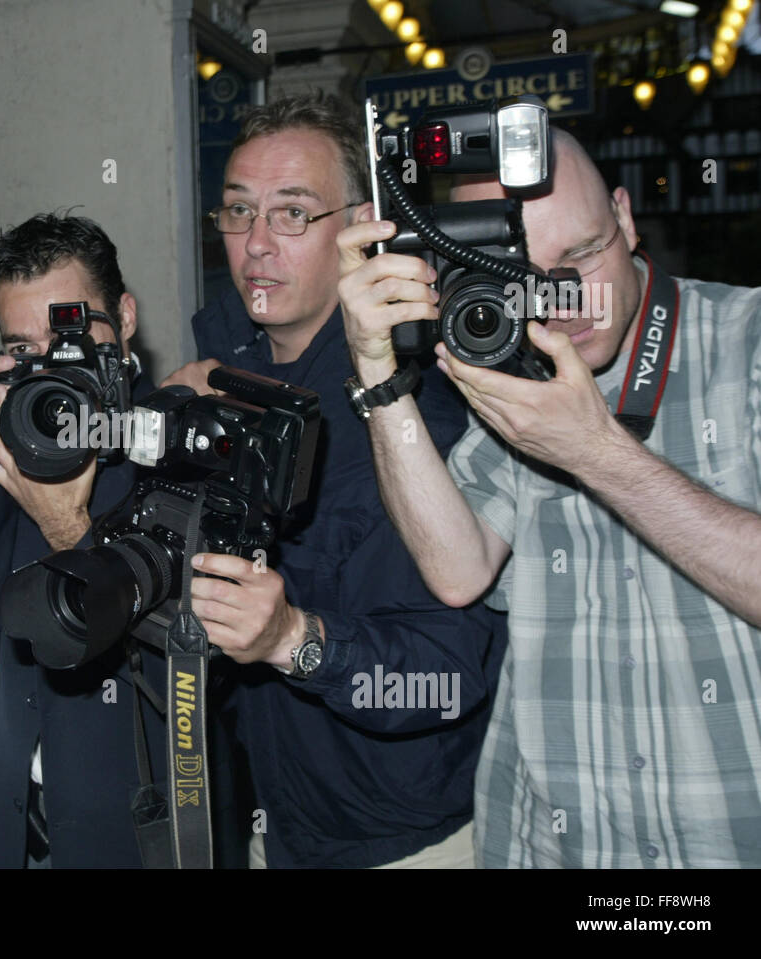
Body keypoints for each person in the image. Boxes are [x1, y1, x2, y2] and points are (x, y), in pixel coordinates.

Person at [337, 126, 761, 868]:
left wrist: (596, 452)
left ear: (627, 219)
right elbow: (457, 567)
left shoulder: (747, 340)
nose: (565, 300)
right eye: (522, 274)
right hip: (552, 847)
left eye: (582, 255)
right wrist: (379, 377)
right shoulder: (516, 374)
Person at [163, 94, 507, 868]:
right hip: (272, 821)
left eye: (292, 215)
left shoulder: (419, 410)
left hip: (412, 841)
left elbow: (446, 679)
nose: (255, 244)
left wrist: (295, 640)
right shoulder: (217, 366)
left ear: (361, 228)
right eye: (237, 211)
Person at [0, 213, 179, 868]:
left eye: (69, 335)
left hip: (139, 838)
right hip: (26, 831)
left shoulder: (181, 450)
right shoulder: (23, 442)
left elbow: (182, 665)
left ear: (124, 318)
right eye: (23, 348)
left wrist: (65, 526)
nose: (49, 366)